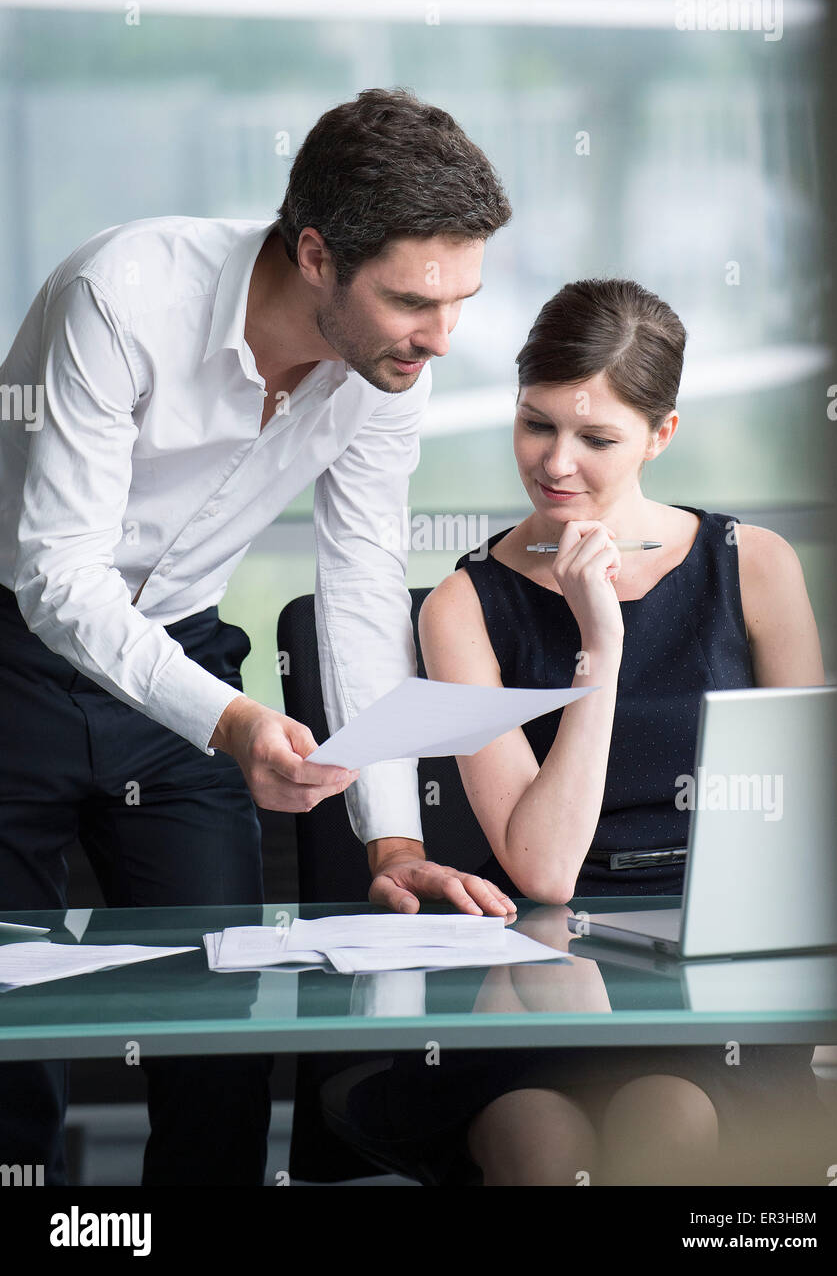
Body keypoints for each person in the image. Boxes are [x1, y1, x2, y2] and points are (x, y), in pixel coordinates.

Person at [0, 87, 515, 1186]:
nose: (441, 335)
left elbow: (365, 587)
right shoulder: (122, 293)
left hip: (179, 660)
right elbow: (59, 577)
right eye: (415, 299)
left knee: (225, 1037)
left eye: (461, 298)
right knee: (8, 1052)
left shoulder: (389, 369)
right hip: (15, 659)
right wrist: (231, 721)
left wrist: (392, 840)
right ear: (318, 254)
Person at [319, 276, 828, 1186]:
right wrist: (599, 644)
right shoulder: (464, 605)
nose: (555, 463)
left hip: (711, 962)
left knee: (667, 1118)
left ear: (659, 436)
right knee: (535, 1140)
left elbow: (815, 821)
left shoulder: (753, 565)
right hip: (535, 958)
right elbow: (543, 869)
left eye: (595, 438)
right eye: (535, 423)